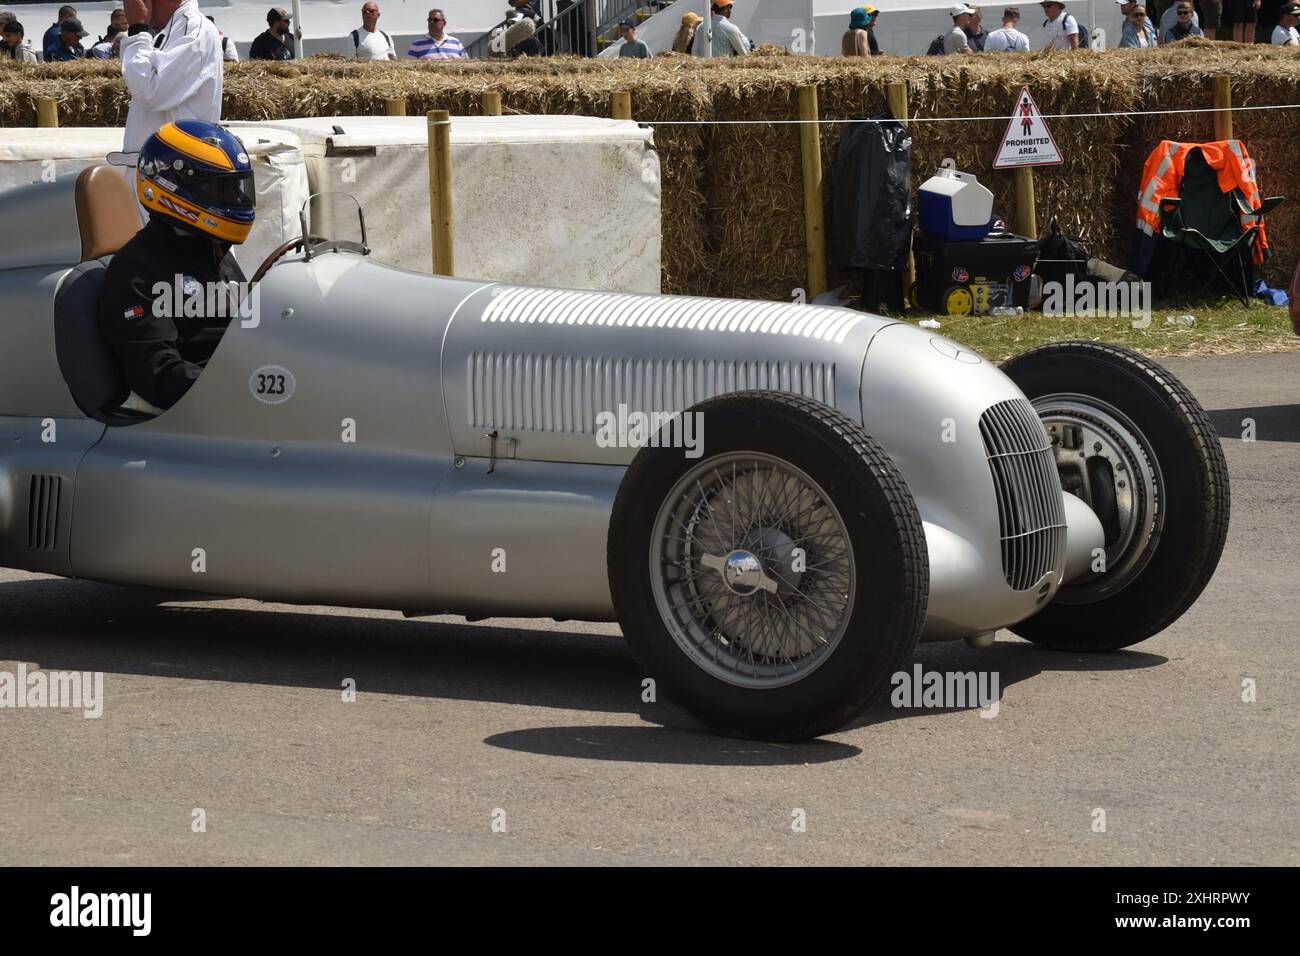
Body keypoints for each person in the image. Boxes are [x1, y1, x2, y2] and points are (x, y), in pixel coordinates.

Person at [99, 120, 255, 412]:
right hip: (200, 420)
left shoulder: (215, 252)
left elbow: (249, 328)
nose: (236, 199)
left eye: (237, 187)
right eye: (221, 189)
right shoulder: (136, 272)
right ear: (173, 187)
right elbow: (158, 374)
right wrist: (245, 391)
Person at [120, 0, 223, 156]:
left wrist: (138, 29)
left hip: (171, 171)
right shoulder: (179, 27)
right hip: (163, 167)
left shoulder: (192, 28)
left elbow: (149, 91)